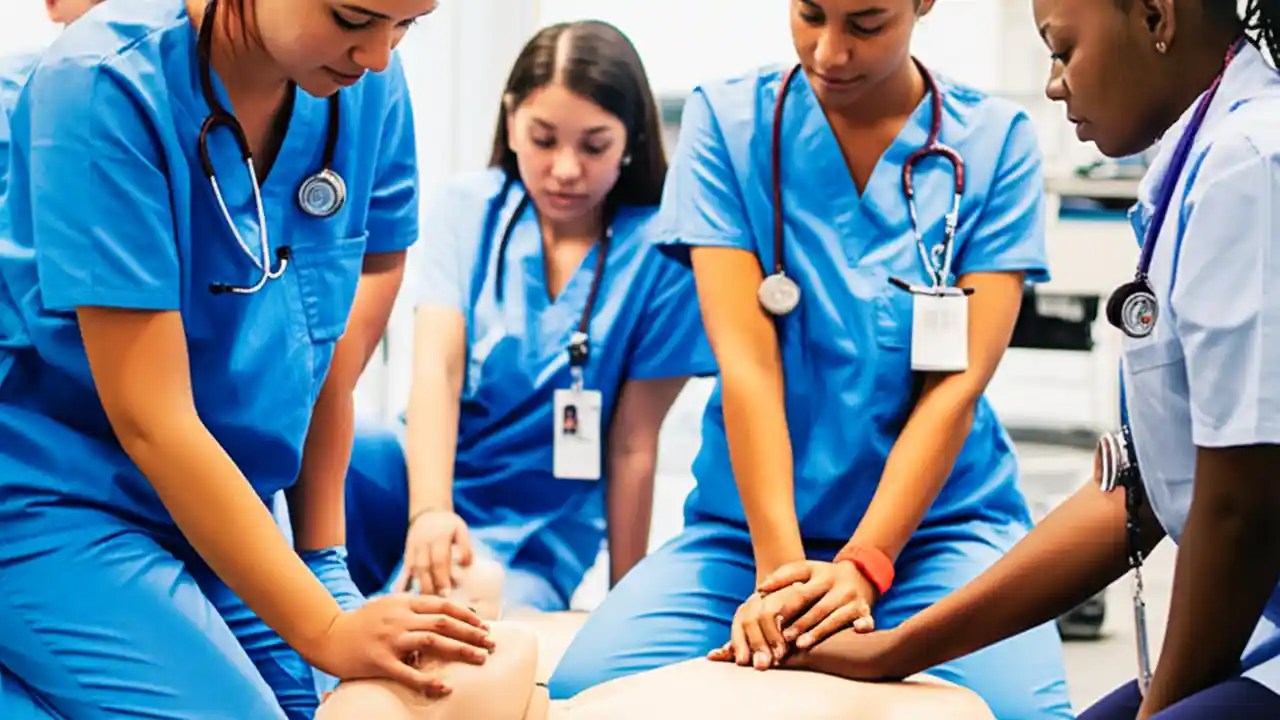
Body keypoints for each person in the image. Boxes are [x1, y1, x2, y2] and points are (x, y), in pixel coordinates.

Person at [549, 0, 1073, 717]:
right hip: (747, 534)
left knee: (1020, 715)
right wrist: (781, 580)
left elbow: (956, 387)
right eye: (809, 14)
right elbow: (747, 365)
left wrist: (865, 562)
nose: (829, 52)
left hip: (939, 528)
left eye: (866, 23)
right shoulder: (727, 124)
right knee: (589, 692)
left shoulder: (995, 143)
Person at [760, 0, 1280, 718]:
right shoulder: (1199, 166)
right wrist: (895, 649)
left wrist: (1159, 704)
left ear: (1157, 18)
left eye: (1062, 52)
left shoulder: (1249, 164)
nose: (1053, 85)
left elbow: (1238, 508)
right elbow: (1142, 486)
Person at [0, 0, 500, 717]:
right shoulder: (101, 83)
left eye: (407, 25)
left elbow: (320, 344)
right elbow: (153, 420)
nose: (380, 56)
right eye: (353, 18)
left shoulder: (364, 88)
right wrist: (324, 627)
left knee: (369, 697)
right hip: (54, 494)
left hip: (223, 501)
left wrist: (324, 561)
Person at [343, 21, 715, 613]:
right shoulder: (469, 208)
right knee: (323, 457)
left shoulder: (664, 257)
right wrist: (432, 511)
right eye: (544, 139)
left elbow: (632, 446)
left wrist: (625, 607)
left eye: (594, 146)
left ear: (632, 141)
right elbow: (436, 370)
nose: (565, 169)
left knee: (451, 613)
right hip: (418, 479)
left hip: (537, 528)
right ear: (511, 120)